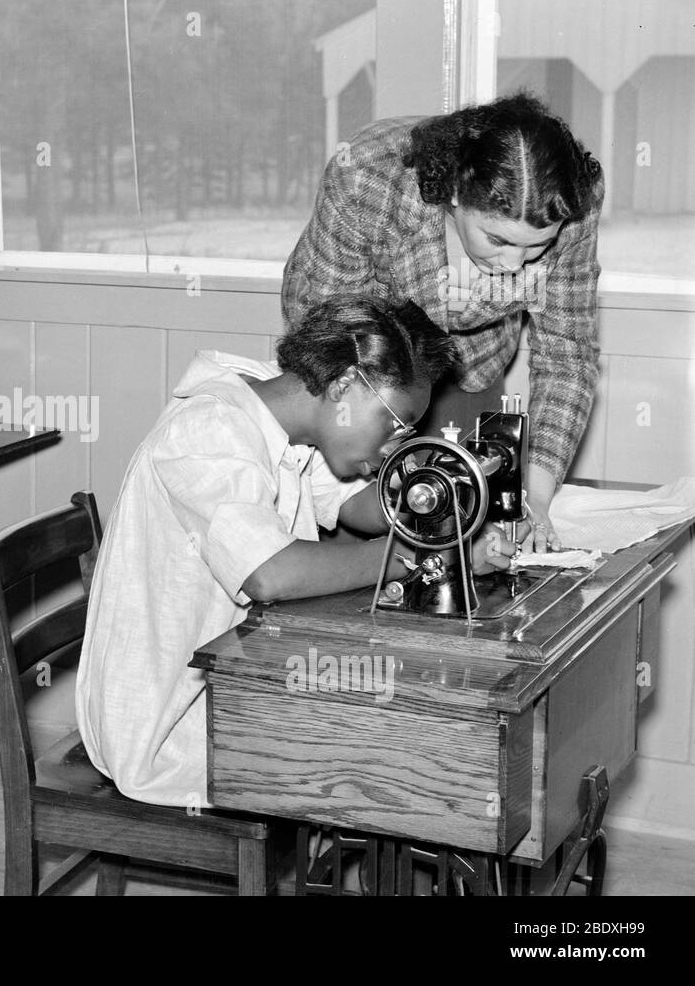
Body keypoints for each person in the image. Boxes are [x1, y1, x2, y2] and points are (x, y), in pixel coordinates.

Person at [75, 296, 516, 808]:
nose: (394, 444)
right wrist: (423, 557)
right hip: (169, 724)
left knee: (414, 743)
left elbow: (360, 507)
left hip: (237, 683)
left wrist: (446, 497)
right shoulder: (209, 430)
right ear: (346, 384)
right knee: (411, 761)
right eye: (395, 425)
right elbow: (270, 574)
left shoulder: (294, 419)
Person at [282, 93, 604, 555]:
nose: (515, 264)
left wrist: (533, 496)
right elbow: (330, 333)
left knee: (471, 526)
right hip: (356, 362)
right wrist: (376, 446)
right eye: (497, 239)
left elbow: (567, 357)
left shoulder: (570, 200)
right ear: (455, 191)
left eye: (537, 247)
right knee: (361, 531)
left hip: (472, 367)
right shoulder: (368, 177)